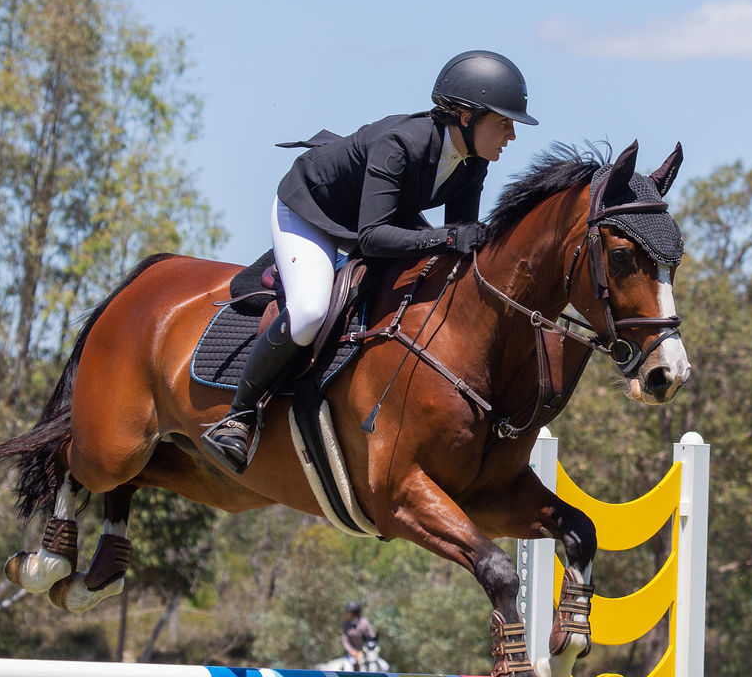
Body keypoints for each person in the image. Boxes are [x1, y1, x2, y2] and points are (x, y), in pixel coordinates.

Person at [203, 50, 538, 472]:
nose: (511, 135)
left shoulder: (472, 163)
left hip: (373, 216)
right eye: (503, 122)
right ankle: (239, 417)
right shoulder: (400, 144)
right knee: (308, 312)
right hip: (311, 210)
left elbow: (458, 243)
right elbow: (374, 238)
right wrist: (451, 236)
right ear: (467, 118)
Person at [341, 600, 379, 671]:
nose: (347, 614)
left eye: (348, 612)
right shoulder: (346, 625)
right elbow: (345, 642)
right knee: (347, 669)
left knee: (384, 666)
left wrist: (366, 648)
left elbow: (371, 637)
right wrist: (352, 651)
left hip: (365, 652)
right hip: (351, 655)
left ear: (353, 613)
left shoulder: (365, 623)